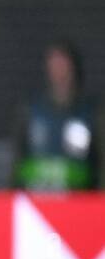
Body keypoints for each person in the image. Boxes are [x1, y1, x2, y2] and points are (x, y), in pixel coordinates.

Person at [11, 41, 104, 191]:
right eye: (54, 64)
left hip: (80, 200)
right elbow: (17, 160)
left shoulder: (91, 112)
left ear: (73, 67)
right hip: (37, 198)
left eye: (63, 64)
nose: (59, 70)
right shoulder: (30, 111)